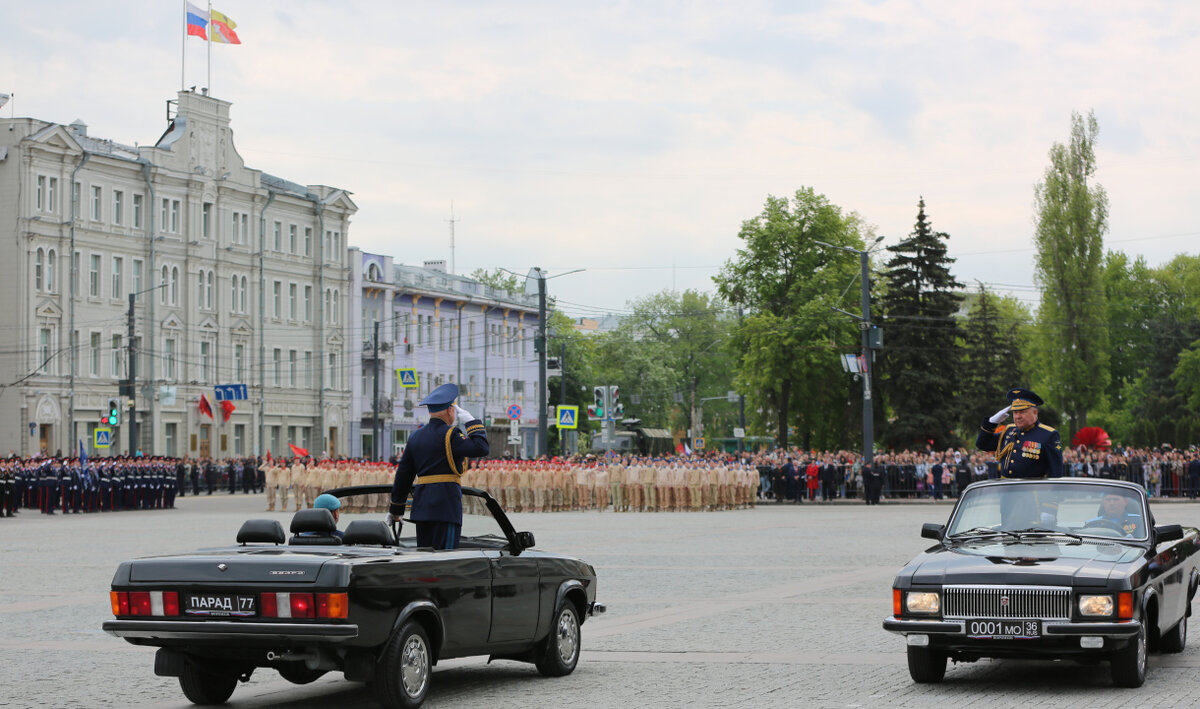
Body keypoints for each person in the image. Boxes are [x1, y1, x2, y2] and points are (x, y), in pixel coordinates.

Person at [387, 383, 490, 550]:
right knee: (445, 561)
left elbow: (403, 476)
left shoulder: (415, 437)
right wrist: (472, 423)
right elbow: (481, 448)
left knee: (425, 560)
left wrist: (396, 509)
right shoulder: (452, 435)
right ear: (450, 410)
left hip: (422, 509)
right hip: (446, 507)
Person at [975, 388, 1064, 479]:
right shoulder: (1009, 431)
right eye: (1015, 412)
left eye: (1022, 412)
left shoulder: (1048, 435)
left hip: (1031, 490)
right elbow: (982, 444)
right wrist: (991, 423)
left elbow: (1056, 472)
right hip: (1006, 489)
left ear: (1035, 412)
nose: (1018, 416)